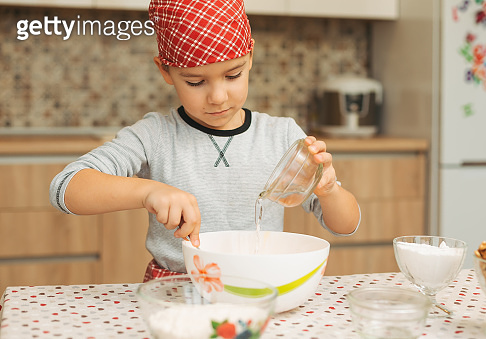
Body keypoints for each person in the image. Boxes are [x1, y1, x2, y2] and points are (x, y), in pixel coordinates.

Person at [49, 0, 361, 281]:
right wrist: (146, 190)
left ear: (250, 57)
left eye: (233, 75)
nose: (218, 97)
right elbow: (65, 188)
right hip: (175, 292)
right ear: (166, 71)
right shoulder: (154, 136)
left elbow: (345, 225)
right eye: (195, 81)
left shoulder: (281, 136)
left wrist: (330, 189)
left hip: (258, 287)